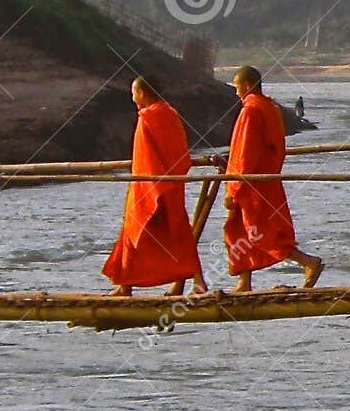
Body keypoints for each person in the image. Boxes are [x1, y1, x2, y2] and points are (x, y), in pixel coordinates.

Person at [223, 66, 323, 292]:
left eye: (238, 88)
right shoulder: (270, 108)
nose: (237, 93)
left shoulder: (251, 111)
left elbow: (246, 153)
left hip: (251, 185)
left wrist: (234, 187)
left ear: (247, 86)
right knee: (239, 230)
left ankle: (308, 262)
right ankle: (244, 281)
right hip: (266, 181)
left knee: (262, 233)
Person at [103, 77, 206, 296]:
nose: (132, 98)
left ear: (142, 93)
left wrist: (153, 191)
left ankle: (125, 286)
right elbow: (180, 154)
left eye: (134, 92)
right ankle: (197, 281)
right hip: (171, 185)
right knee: (178, 234)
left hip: (149, 187)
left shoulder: (148, 117)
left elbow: (147, 158)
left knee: (133, 233)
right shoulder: (169, 113)